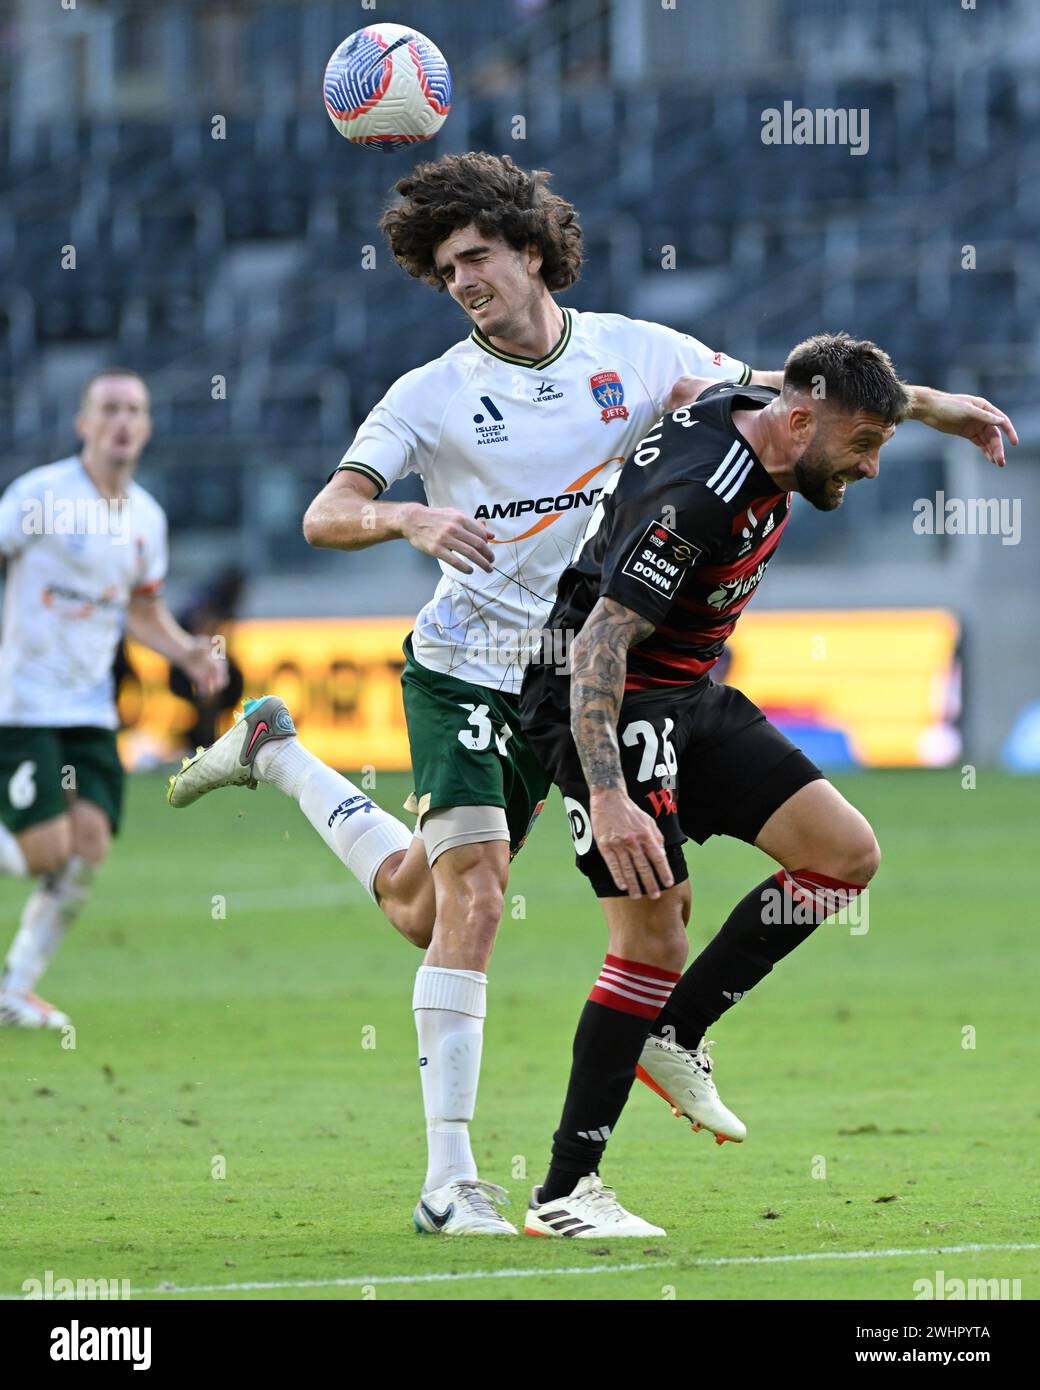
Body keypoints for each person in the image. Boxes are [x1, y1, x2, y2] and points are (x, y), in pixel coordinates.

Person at [166, 153, 1016, 1236]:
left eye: (474, 256)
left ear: (530, 249)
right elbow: (324, 514)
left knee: (416, 903)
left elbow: (781, 391)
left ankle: (277, 753)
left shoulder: (635, 351)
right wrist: (407, 517)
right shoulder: (426, 395)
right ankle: (451, 1183)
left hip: (600, 679)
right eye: (441, 269)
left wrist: (934, 407)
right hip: (476, 668)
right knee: (471, 902)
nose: (460, 280)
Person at [516, 333, 1014, 1237]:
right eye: (863, 446)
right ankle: (564, 1193)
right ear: (798, 423)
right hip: (606, 701)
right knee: (652, 938)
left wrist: (934, 408)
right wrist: (609, 795)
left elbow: (791, 378)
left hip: (689, 694)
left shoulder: (762, 404)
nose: (868, 468)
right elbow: (595, 645)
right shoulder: (697, 499)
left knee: (843, 856)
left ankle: (678, 1034)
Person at [0, 370, 227, 1027]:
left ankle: (15, 988)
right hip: (24, 704)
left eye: (135, 409)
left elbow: (141, 609)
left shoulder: (145, 520)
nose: (123, 420)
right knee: (44, 849)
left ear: (148, 426)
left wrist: (186, 651)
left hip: (91, 711)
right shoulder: (40, 495)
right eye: (110, 409)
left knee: (89, 846)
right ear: (84, 423)